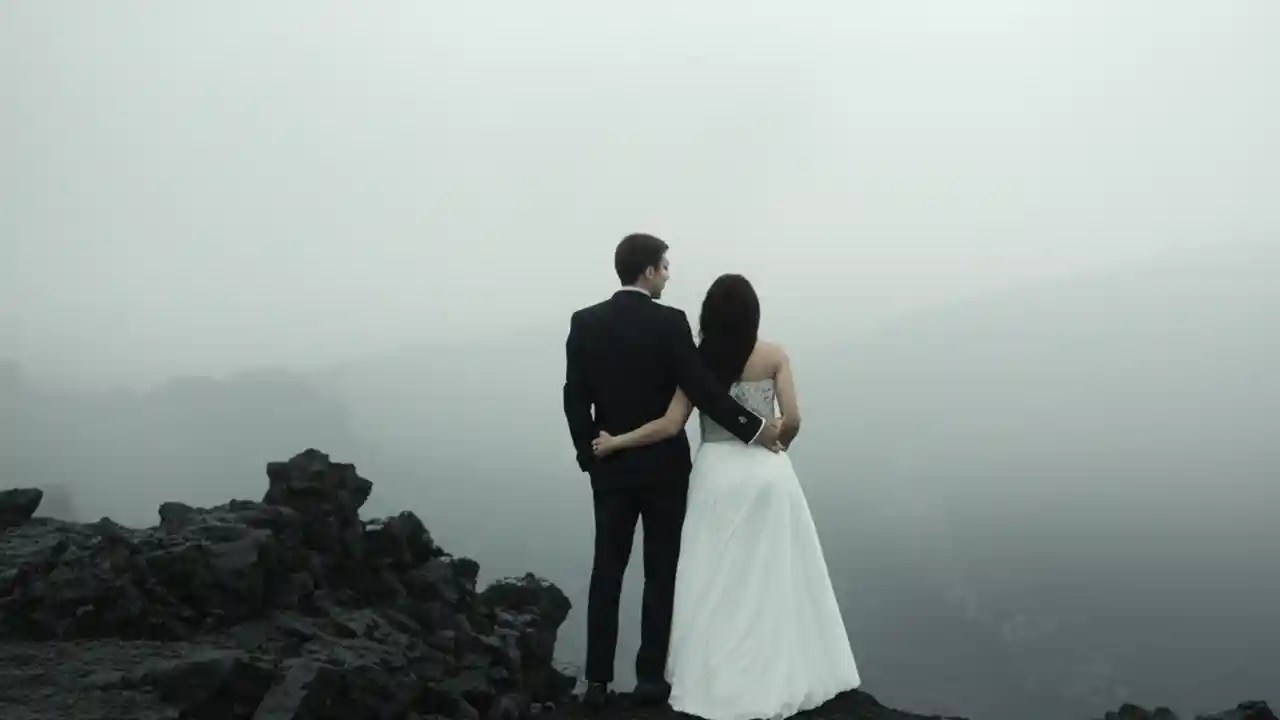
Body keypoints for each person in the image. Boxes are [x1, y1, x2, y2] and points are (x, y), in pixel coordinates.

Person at [591, 273, 861, 720]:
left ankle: (716, 673)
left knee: (714, 579)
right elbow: (792, 417)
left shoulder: (698, 363)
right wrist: (778, 447)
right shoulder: (774, 355)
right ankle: (776, 668)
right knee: (773, 577)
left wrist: (616, 442)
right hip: (769, 477)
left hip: (717, 474)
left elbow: (670, 425)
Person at [562, 234, 785, 710]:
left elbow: (575, 397)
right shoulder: (671, 323)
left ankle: (597, 682)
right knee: (660, 574)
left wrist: (591, 456)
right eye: (664, 267)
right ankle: (649, 680)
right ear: (646, 272)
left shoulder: (585, 322)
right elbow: (702, 388)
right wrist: (754, 428)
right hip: (664, 470)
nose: (668, 274)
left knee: (607, 573)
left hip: (611, 471)